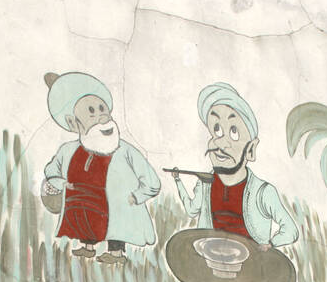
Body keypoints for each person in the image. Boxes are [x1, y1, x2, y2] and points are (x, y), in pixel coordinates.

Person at [40, 72, 161, 264]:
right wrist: (61, 183)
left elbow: (152, 181)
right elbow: (50, 171)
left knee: (115, 223)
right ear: (74, 124)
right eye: (92, 112)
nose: (102, 118)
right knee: (86, 219)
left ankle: (116, 253)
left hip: (116, 211)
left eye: (103, 109)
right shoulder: (68, 151)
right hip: (83, 209)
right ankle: (87, 247)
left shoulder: (125, 151)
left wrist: (137, 196)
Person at [174, 82, 298, 249]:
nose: (221, 143)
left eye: (234, 132)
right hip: (210, 262)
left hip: (249, 269)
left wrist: (270, 244)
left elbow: (290, 230)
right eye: (216, 129)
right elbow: (191, 210)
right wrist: (178, 181)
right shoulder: (205, 184)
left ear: (251, 150)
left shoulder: (263, 192)